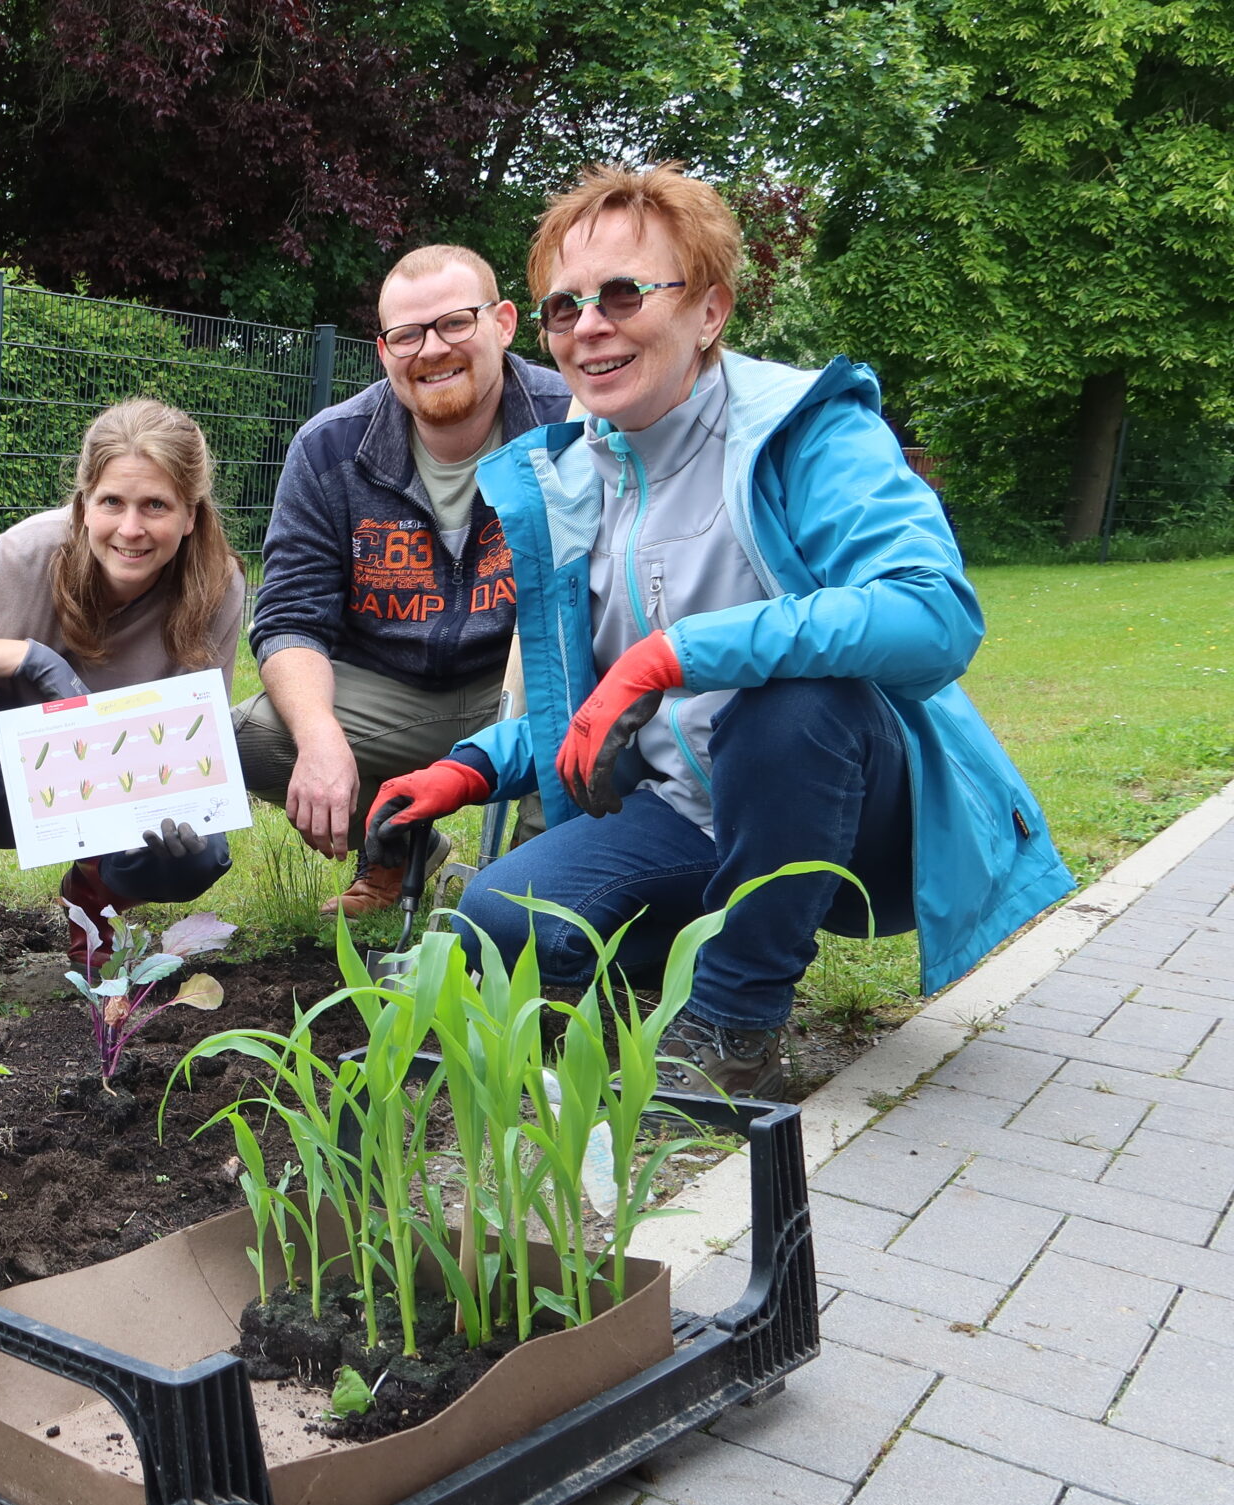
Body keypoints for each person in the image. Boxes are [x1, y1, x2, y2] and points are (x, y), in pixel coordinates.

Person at [372, 163, 1071, 1099]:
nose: (588, 326)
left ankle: (735, 1022)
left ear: (709, 312)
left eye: (624, 293)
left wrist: (677, 653)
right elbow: (595, 709)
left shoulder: (806, 430)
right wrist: (469, 768)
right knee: (499, 916)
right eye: (562, 307)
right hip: (684, 808)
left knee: (791, 704)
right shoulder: (581, 479)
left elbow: (933, 613)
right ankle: (661, 967)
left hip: (852, 798)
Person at [0, 396, 245, 1021]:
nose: (131, 528)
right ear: (83, 505)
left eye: (156, 505)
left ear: (189, 516)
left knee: (201, 852)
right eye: (112, 503)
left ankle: (98, 905)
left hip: (116, 798)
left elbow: (191, 733)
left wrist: (177, 808)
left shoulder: (217, 585)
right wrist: (30, 660)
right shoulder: (25, 556)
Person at [237, 244, 574, 915]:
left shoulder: (571, 423)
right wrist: (322, 738)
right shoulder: (329, 448)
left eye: (456, 323)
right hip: (389, 688)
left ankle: (519, 891)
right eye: (407, 334)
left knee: (573, 720)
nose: (432, 350)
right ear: (383, 349)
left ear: (503, 322)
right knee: (255, 737)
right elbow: (289, 618)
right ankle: (397, 846)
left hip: (525, 682)